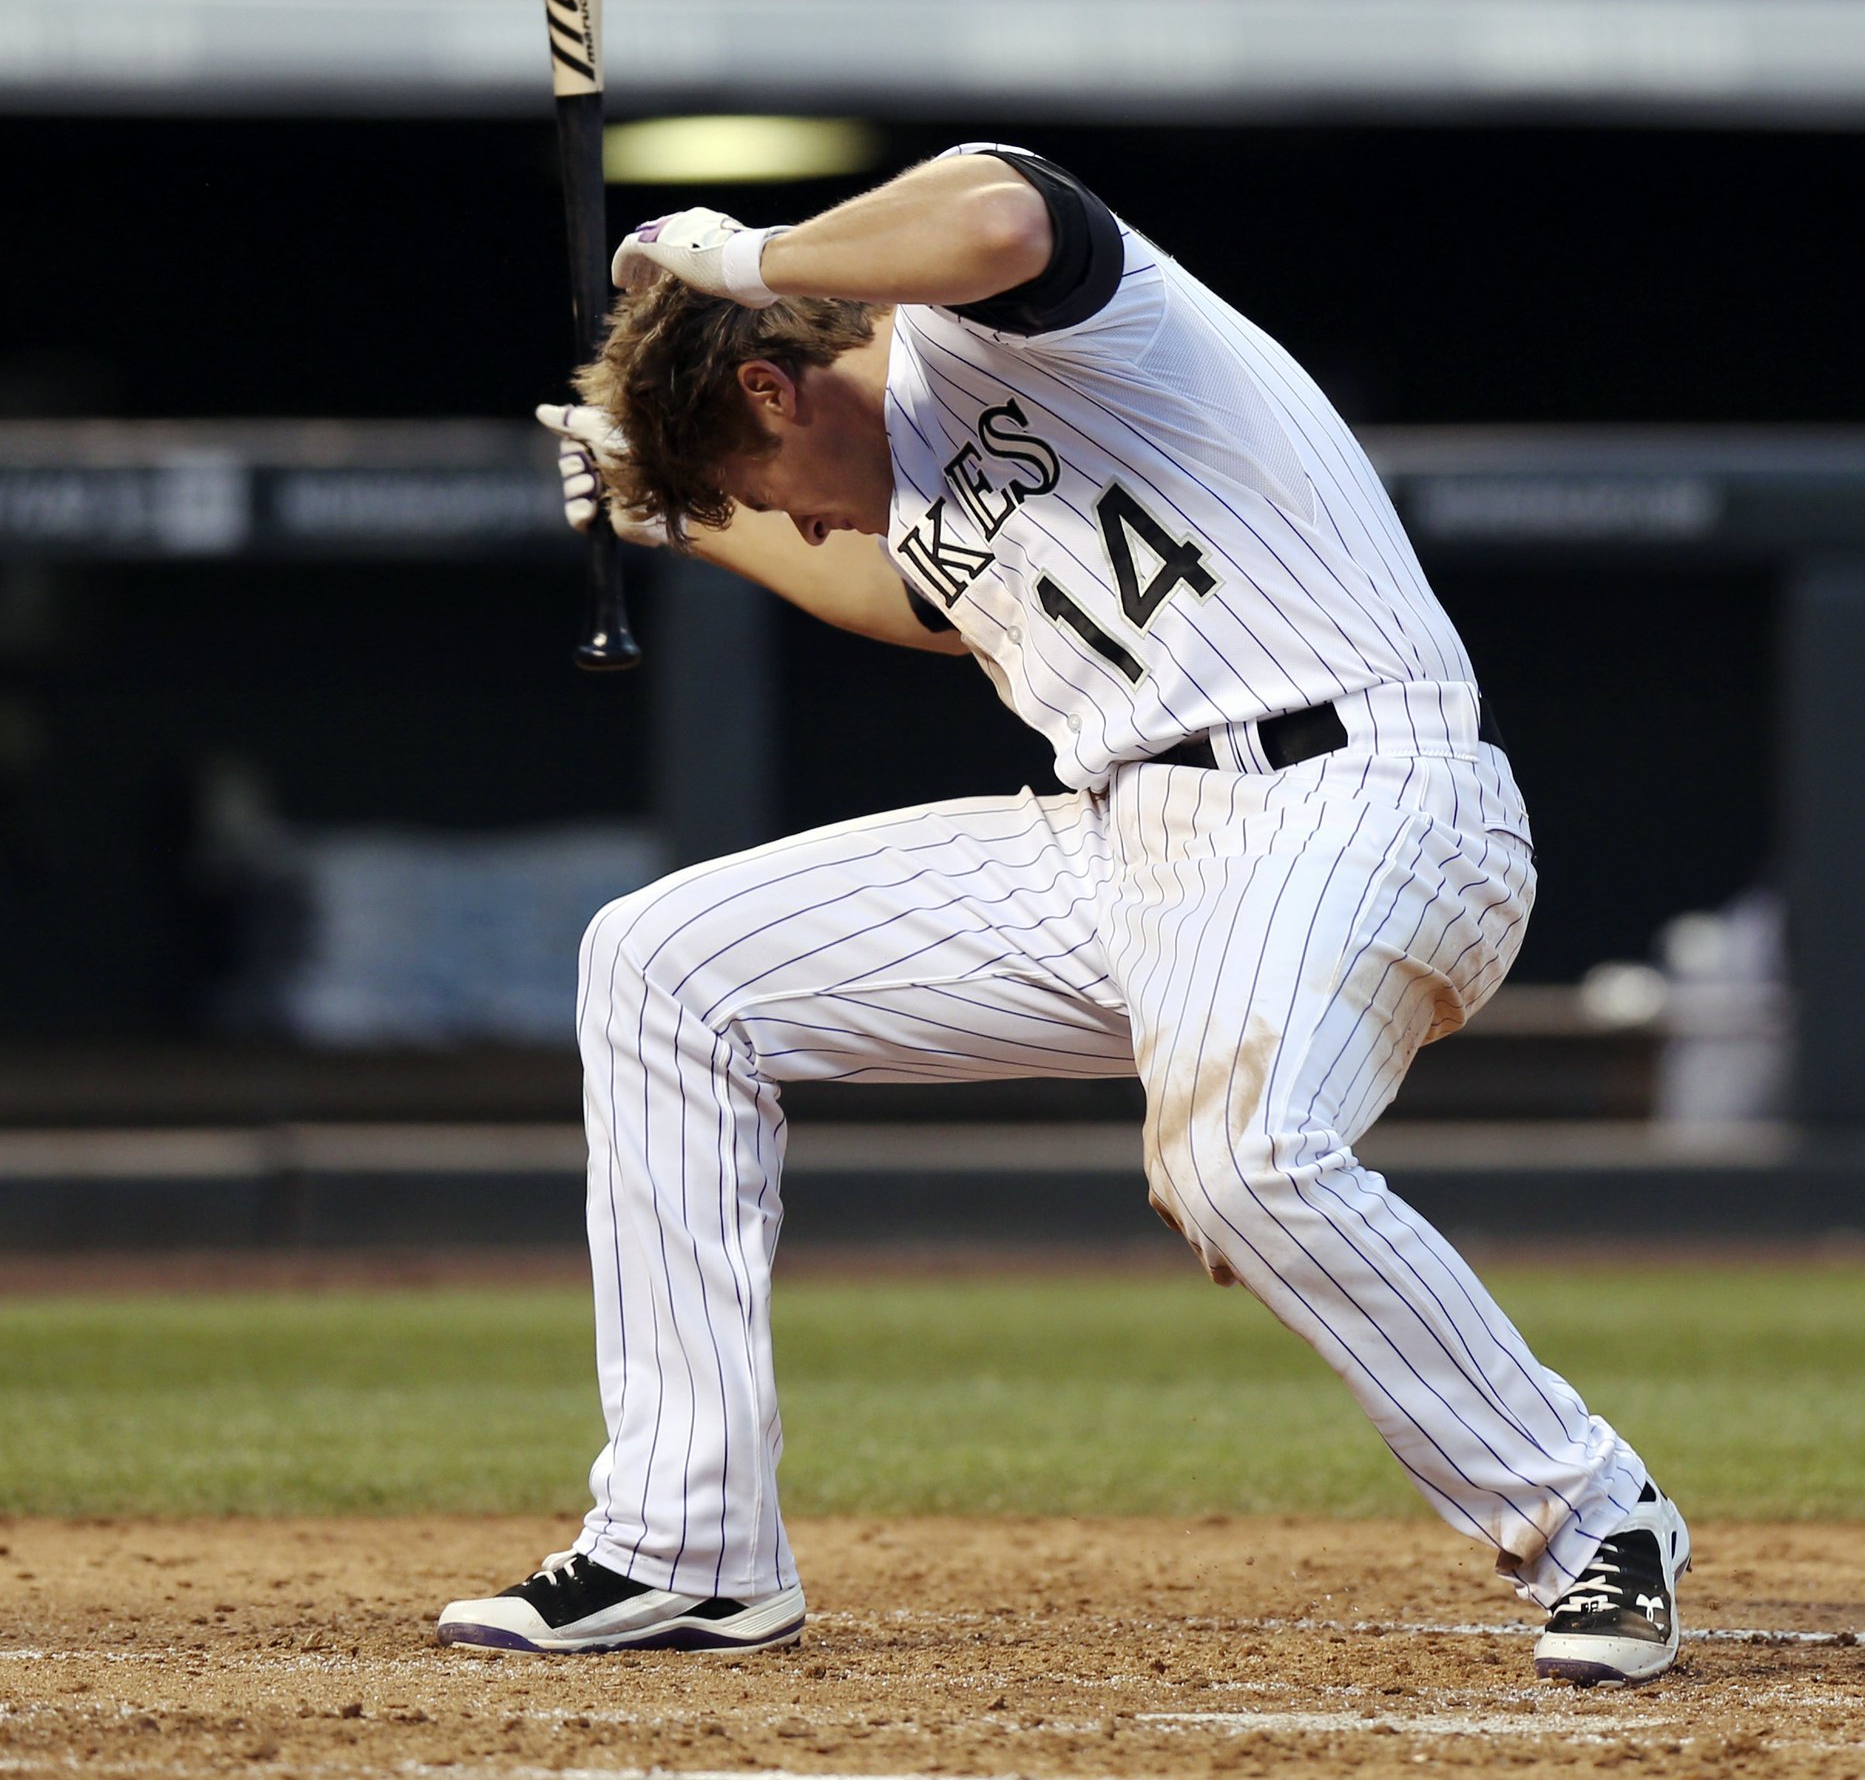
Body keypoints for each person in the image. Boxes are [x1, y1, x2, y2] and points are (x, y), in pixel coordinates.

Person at [449, 148, 1689, 1686]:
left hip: (1359, 793)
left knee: (1237, 1159)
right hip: (1131, 838)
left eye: (763, 485)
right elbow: (902, 594)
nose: (802, 529)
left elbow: (1000, 202)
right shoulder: (902, 469)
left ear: (774, 389)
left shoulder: (1011, 324)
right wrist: (673, 510)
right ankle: (686, 1548)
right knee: (661, 963)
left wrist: (753, 255)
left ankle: (1595, 1520)